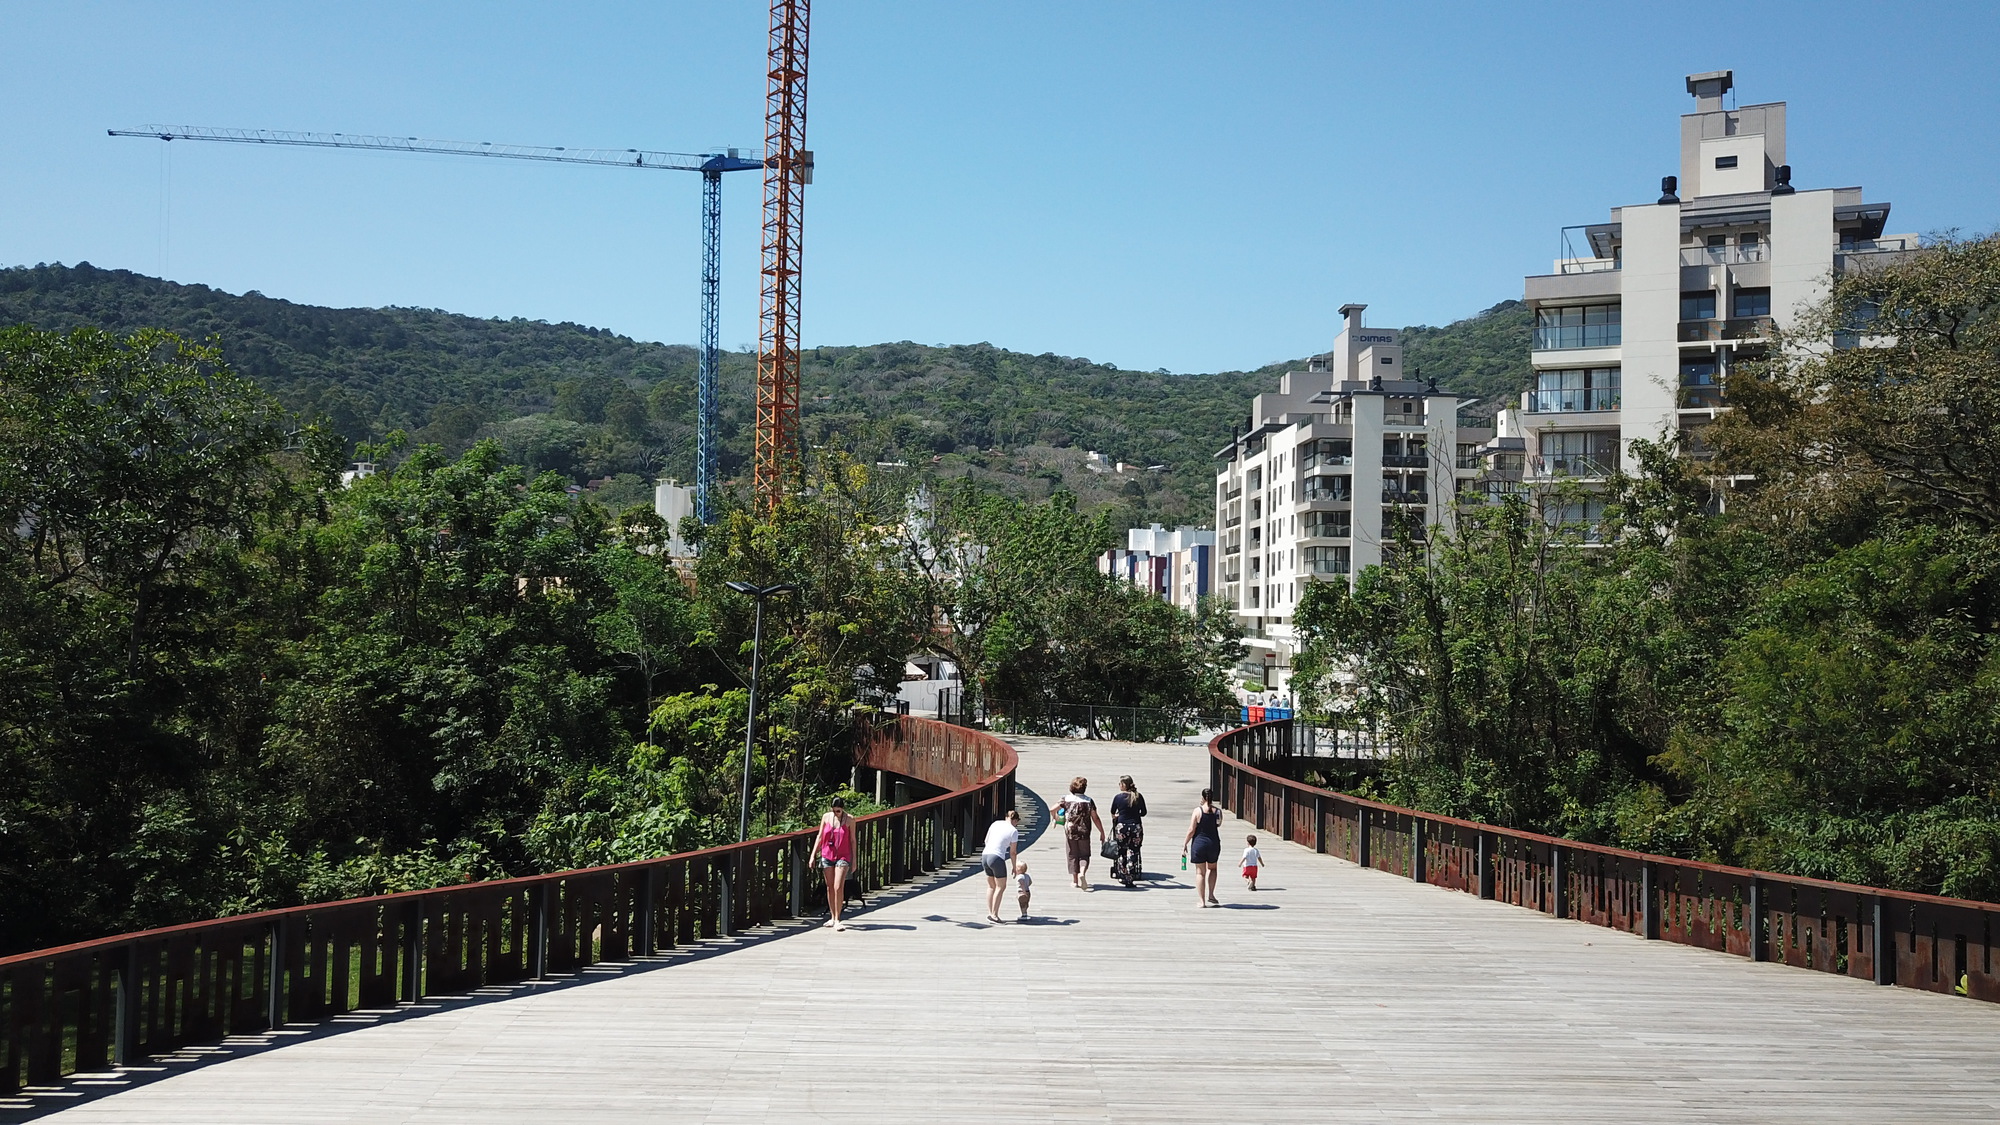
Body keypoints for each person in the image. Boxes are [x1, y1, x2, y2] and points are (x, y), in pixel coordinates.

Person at [812, 796, 857, 931]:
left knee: (838, 886)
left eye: (838, 811)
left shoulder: (850, 819)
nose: (836, 813)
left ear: (842, 809)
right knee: (830, 887)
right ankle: (832, 917)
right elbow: (820, 836)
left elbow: (853, 840)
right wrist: (813, 855)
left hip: (843, 856)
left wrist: (854, 860)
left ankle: (838, 919)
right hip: (827, 854)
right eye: (834, 810)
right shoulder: (826, 817)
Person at [1059, 778, 1106, 890]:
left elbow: (1052, 809)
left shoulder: (1066, 799)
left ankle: (1075, 881)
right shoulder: (1089, 801)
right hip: (1084, 832)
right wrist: (1102, 832)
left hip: (1070, 831)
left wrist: (1057, 819)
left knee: (1072, 855)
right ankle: (1082, 873)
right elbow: (1095, 818)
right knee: (1084, 855)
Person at [1182, 787, 1223, 907]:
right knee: (1213, 868)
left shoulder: (1197, 811)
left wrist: (1185, 843)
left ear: (1203, 797)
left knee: (1200, 873)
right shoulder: (1218, 811)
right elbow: (1218, 824)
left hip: (1199, 844)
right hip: (1213, 843)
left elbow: (1191, 829)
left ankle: (1202, 901)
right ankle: (1211, 895)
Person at [980, 809, 1022, 923]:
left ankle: (990, 913)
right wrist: (1014, 866)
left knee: (991, 886)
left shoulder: (996, 823)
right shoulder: (1013, 831)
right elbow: (1013, 852)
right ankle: (994, 915)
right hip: (996, 857)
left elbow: (986, 840)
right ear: (1015, 820)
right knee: (1001, 886)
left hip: (985, 855)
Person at [1109, 774, 1147, 887]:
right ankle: (1130, 877)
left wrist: (1117, 816)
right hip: (1135, 827)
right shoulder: (1138, 796)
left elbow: (1112, 811)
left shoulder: (1118, 797)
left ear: (1124, 785)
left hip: (1122, 827)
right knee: (1133, 851)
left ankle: (1122, 875)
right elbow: (1144, 812)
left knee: (1122, 851)